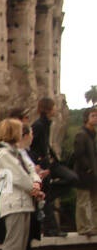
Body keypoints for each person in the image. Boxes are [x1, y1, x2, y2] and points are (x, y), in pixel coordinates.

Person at [0, 117, 44, 250]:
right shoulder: (3, 154)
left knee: (21, 243)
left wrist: (35, 183)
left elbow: (30, 169)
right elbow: (18, 175)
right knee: (13, 242)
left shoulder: (17, 152)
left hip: (24, 201)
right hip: (13, 202)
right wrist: (33, 188)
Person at [29, 97, 76, 235]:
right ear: (48, 108)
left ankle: (49, 196)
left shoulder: (47, 124)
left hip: (50, 164)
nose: (56, 109)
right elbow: (31, 146)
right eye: (54, 106)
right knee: (46, 198)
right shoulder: (38, 125)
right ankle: (52, 229)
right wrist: (37, 162)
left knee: (72, 178)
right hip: (42, 166)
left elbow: (45, 145)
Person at [73, 107, 97, 237]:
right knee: (83, 201)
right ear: (86, 118)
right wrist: (88, 168)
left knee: (95, 201)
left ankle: (94, 226)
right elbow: (79, 154)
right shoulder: (81, 134)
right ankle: (83, 227)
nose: (95, 118)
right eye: (93, 116)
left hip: (93, 173)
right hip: (83, 174)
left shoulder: (92, 133)